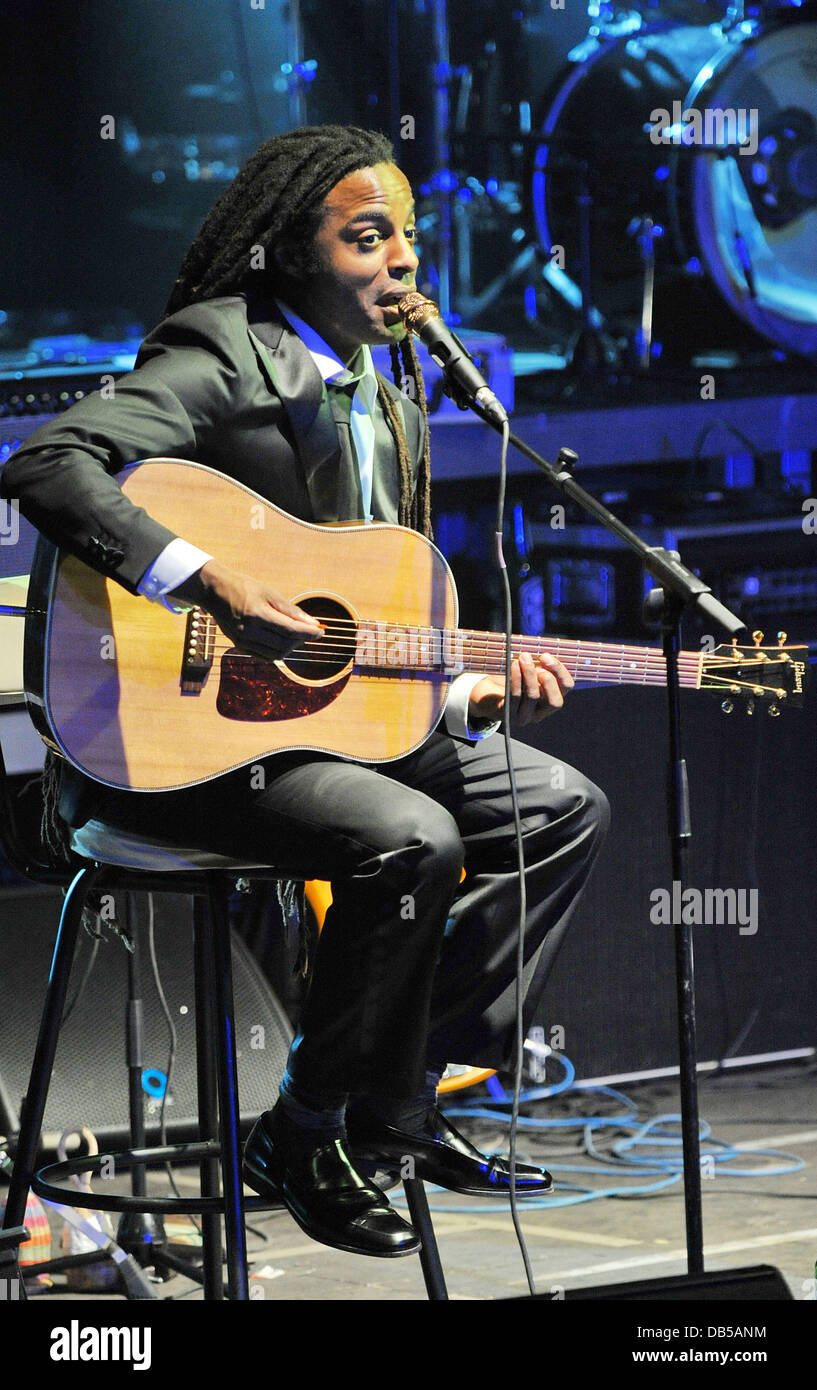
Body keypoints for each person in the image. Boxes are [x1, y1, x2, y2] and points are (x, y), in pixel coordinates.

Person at [2, 125, 609, 1259]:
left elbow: (352, 617)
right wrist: (209, 577)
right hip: (167, 742)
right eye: (365, 238)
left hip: (310, 733)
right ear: (288, 251)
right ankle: (310, 1127)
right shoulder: (225, 353)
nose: (401, 265)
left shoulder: (393, 396)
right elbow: (48, 464)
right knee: (410, 835)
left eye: (409, 240)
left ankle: (389, 1110)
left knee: (556, 809)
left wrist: (460, 689)